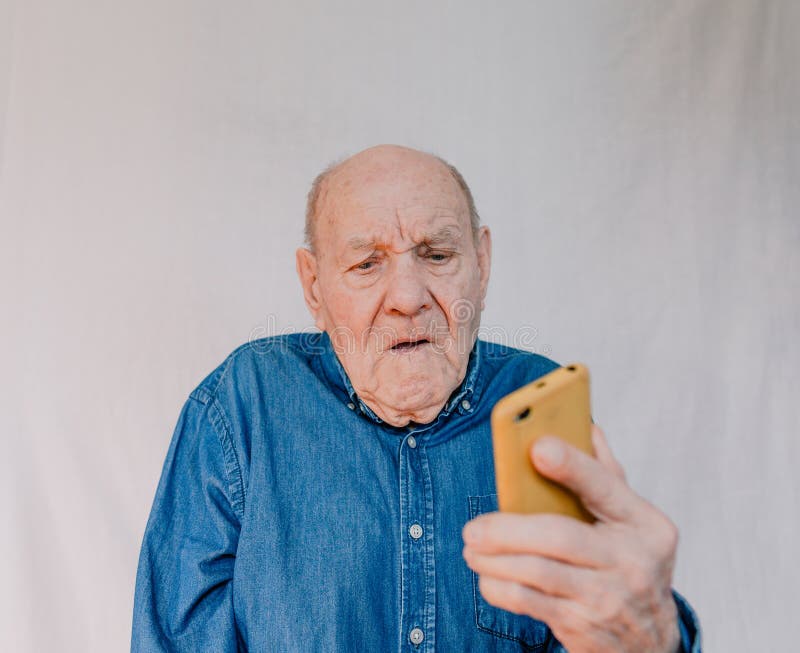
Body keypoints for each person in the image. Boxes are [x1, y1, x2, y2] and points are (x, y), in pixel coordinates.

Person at [132, 145, 701, 652]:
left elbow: (598, 619)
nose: (407, 297)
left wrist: (652, 641)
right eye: (366, 263)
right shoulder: (241, 406)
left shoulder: (538, 404)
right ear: (314, 286)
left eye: (436, 254)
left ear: (481, 265)